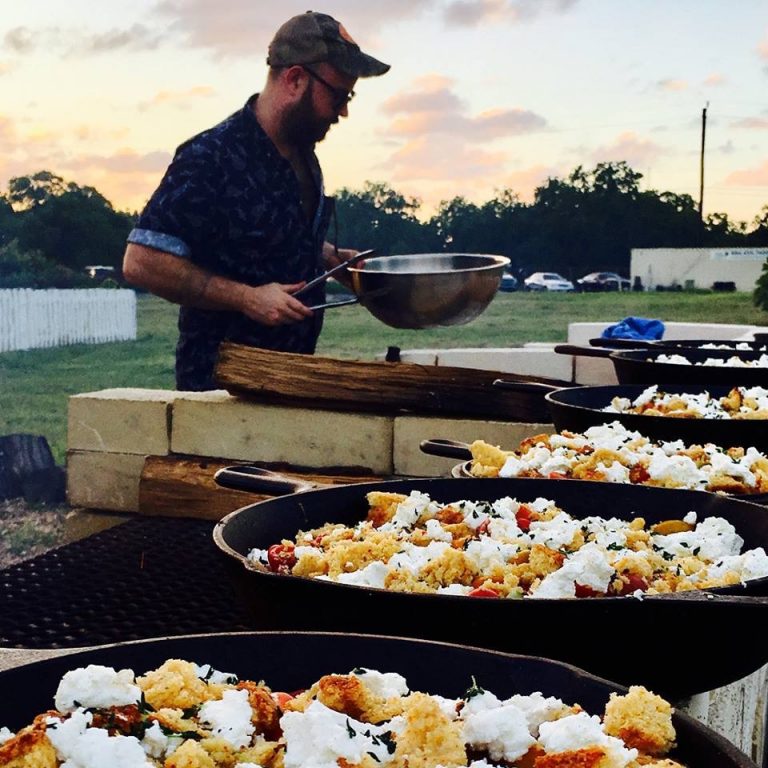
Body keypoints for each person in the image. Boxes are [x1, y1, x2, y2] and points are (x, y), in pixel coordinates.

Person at [122, 11, 390, 390]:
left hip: (291, 383)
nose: (343, 110)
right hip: (220, 394)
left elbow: (269, 237)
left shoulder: (304, 157)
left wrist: (330, 257)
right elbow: (141, 262)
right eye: (338, 95)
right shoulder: (211, 156)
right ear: (296, 79)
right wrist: (247, 298)